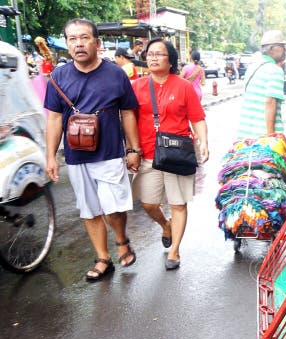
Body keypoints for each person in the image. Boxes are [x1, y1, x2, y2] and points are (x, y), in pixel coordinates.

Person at [44, 18, 141, 282]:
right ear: (66, 44)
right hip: (76, 156)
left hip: (109, 152)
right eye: (72, 39)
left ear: (97, 42)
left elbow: (128, 113)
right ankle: (102, 258)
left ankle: (121, 239)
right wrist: (50, 156)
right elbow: (53, 119)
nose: (78, 43)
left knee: (113, 207)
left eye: (84, 37)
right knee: (89, 209)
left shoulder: (115, 74)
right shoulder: (58, 77)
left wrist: (134, 148)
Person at [130, 38, 209, 270]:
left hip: (178, 154)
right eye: (150, 54)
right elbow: (129, 119)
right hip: (147, 153)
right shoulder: (136, 87)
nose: (153, 58)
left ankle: (174, 251)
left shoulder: (183, 87)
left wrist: (203, 141)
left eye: (159, 54)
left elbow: (197, 118)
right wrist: (130, 149)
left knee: (178, 203)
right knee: (148, 204)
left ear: (171, 60)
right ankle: (166, 226)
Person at [236, 30, 286, 139]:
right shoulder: (275, 70)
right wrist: (270, 137)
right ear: (271, 49)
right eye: (282, 46)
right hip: (263, 139)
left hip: (244, 137)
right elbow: (270, 102)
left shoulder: (252, 67)